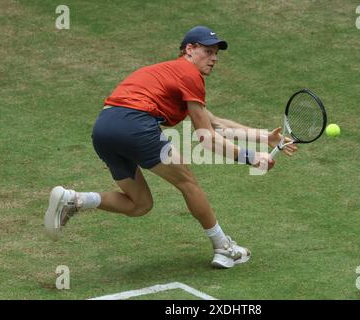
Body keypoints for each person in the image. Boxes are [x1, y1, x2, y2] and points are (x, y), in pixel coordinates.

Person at [44, 26, 298, 269]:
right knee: (187, 182)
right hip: (136, 125)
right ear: (189, 49)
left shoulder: (170, 73)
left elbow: (215, 123)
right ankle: (223, 247)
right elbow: (207, 138)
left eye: (216, 53)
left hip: (104, 129)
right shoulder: (190, 75)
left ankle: (74, 200)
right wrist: (250, 158)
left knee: (140, 204)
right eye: (207, 51)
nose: (214, 58)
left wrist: (266, 138)